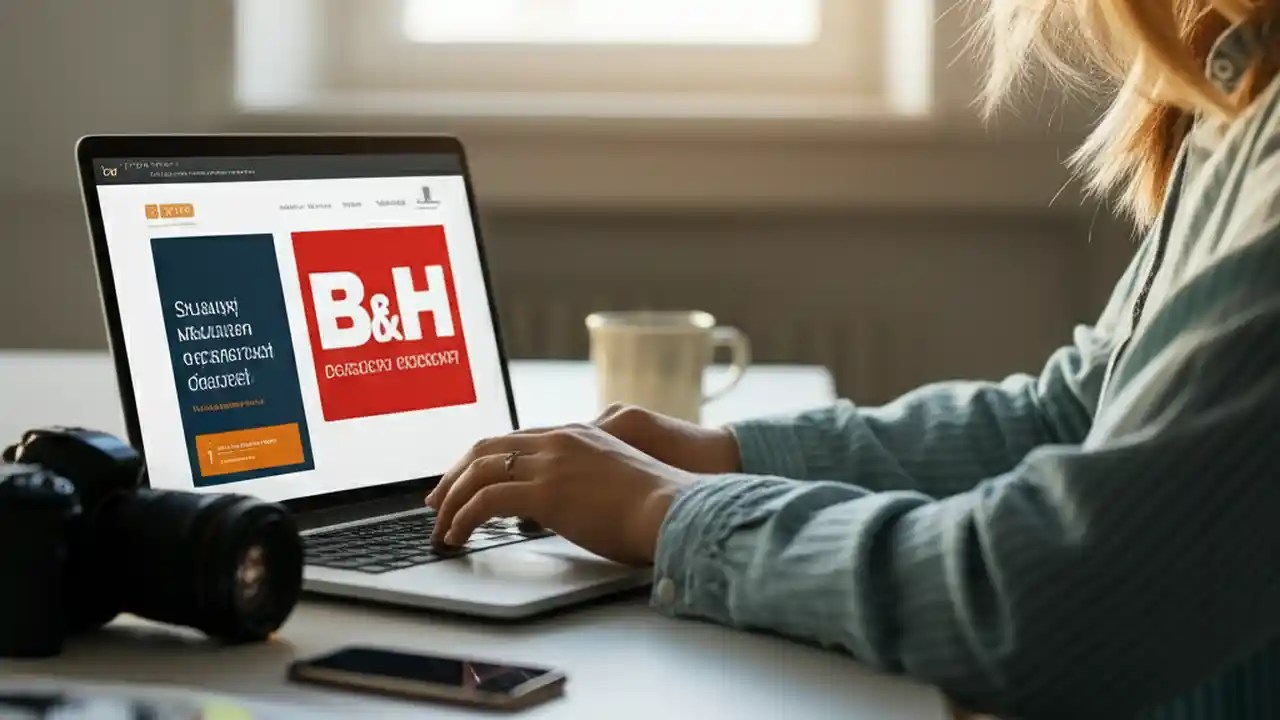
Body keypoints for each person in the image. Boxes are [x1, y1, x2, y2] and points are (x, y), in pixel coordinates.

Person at [425, 1, 1280, 717]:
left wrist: (670, 510)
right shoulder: (1240, 78)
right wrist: (724, 455)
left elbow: (1050, 594)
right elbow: (1070, 416)